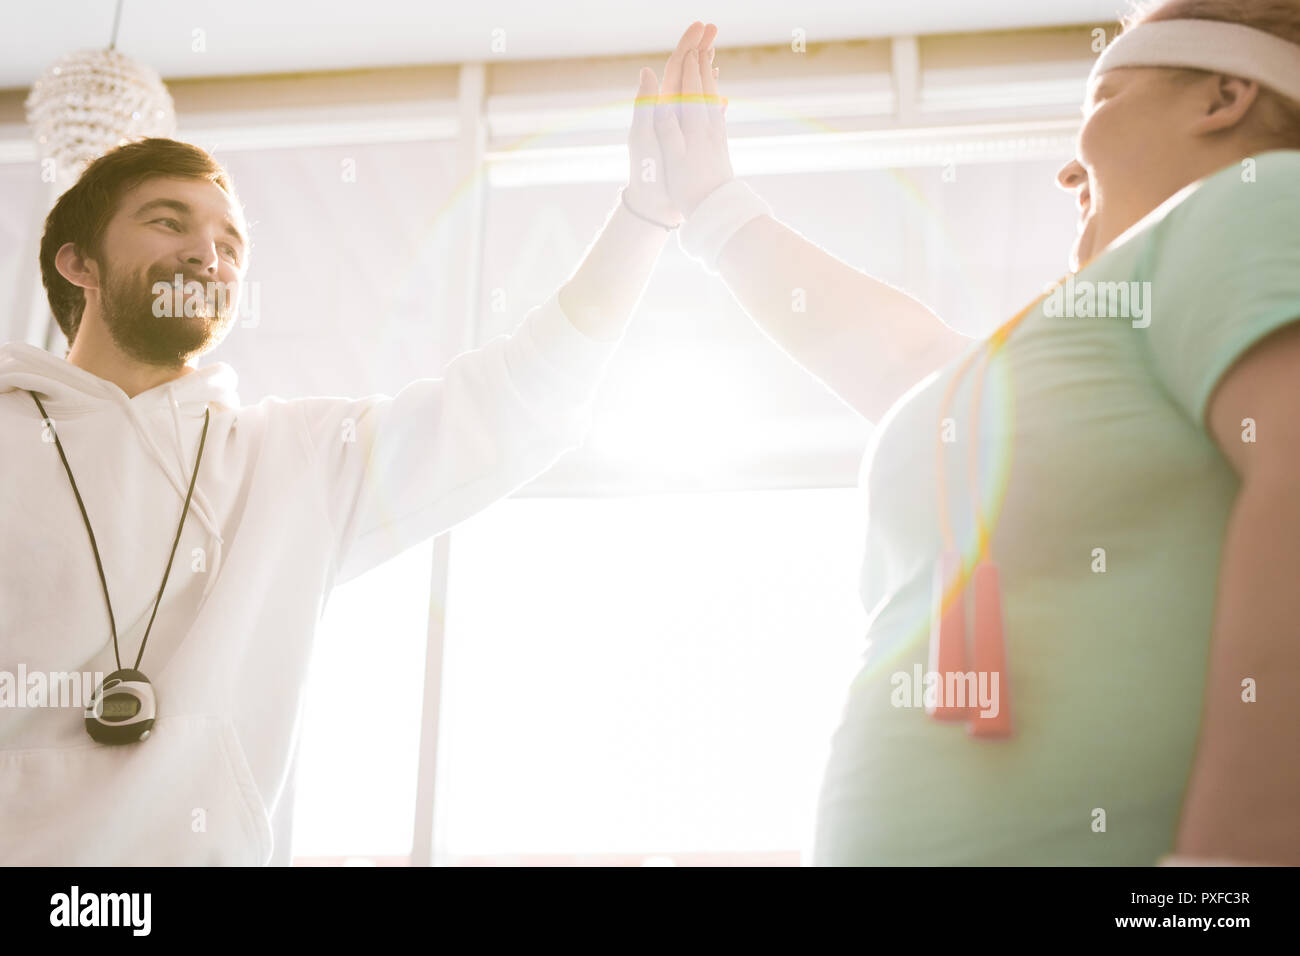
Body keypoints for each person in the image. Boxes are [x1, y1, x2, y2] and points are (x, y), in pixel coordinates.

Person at [0, 23, 719, 866]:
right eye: (169, 222)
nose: (210, 253)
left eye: (231, 244)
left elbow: (513, 403)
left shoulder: (293, 457)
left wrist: (643, 218)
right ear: (78, 264)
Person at [651, 2, 1300, 865]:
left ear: (1223, 97)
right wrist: (715, 213)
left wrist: (1220, 892)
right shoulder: (1090, 343)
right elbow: (908, 360)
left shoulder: (1249, 205)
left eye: (1103, 101)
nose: (1069, 171)